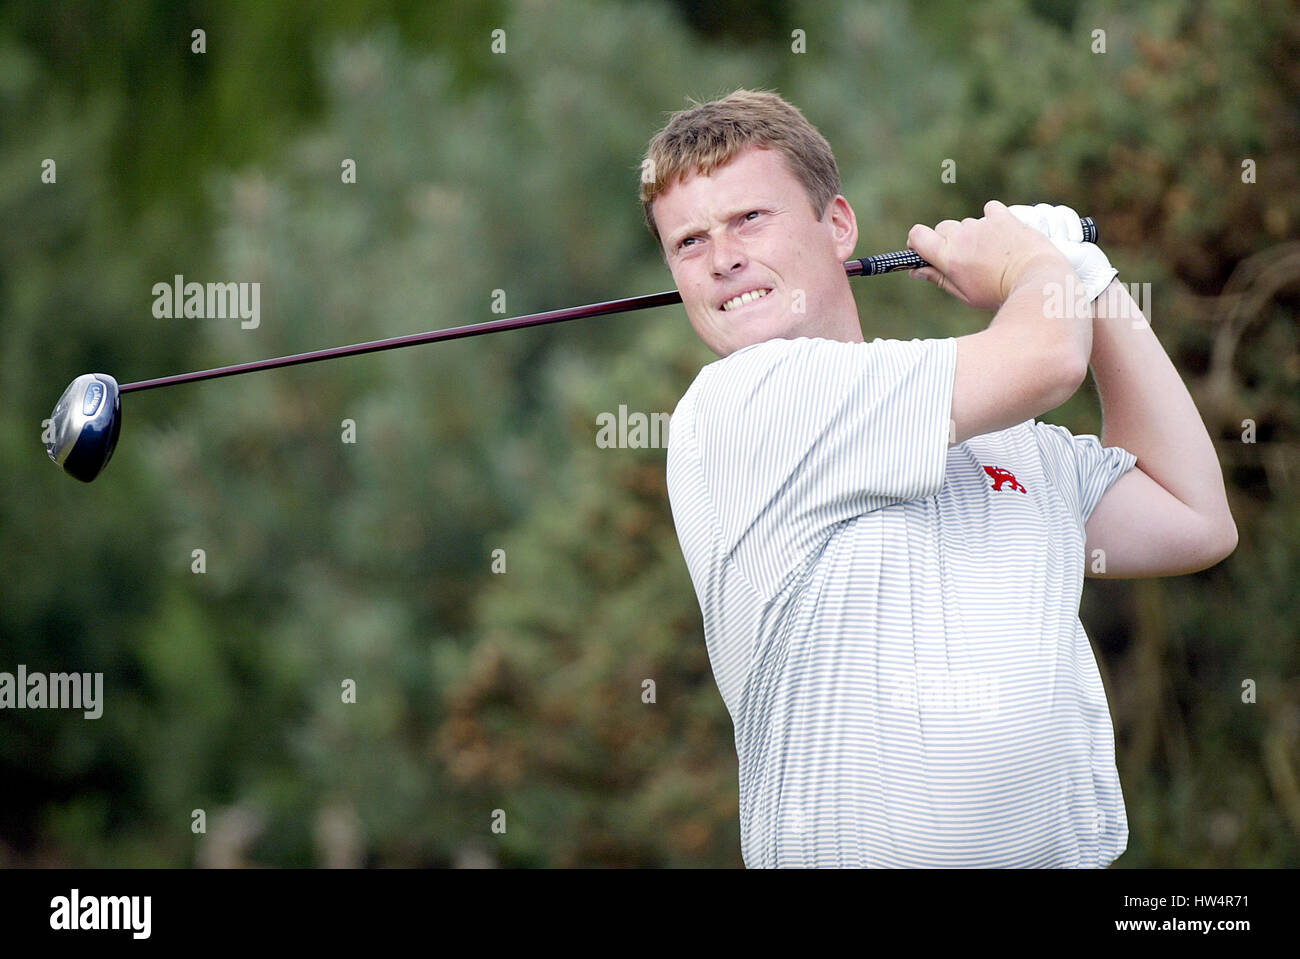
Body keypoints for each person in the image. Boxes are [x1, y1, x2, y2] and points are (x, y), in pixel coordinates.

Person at [639, 89, 1237, 868]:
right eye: (689, 241)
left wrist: (1090, 278)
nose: (722, 257)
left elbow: (1194, 517)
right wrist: (1033, 266)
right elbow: (1050, 358)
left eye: (749, 218)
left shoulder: (1013, 445)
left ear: (839, 226)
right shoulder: (741, 404)